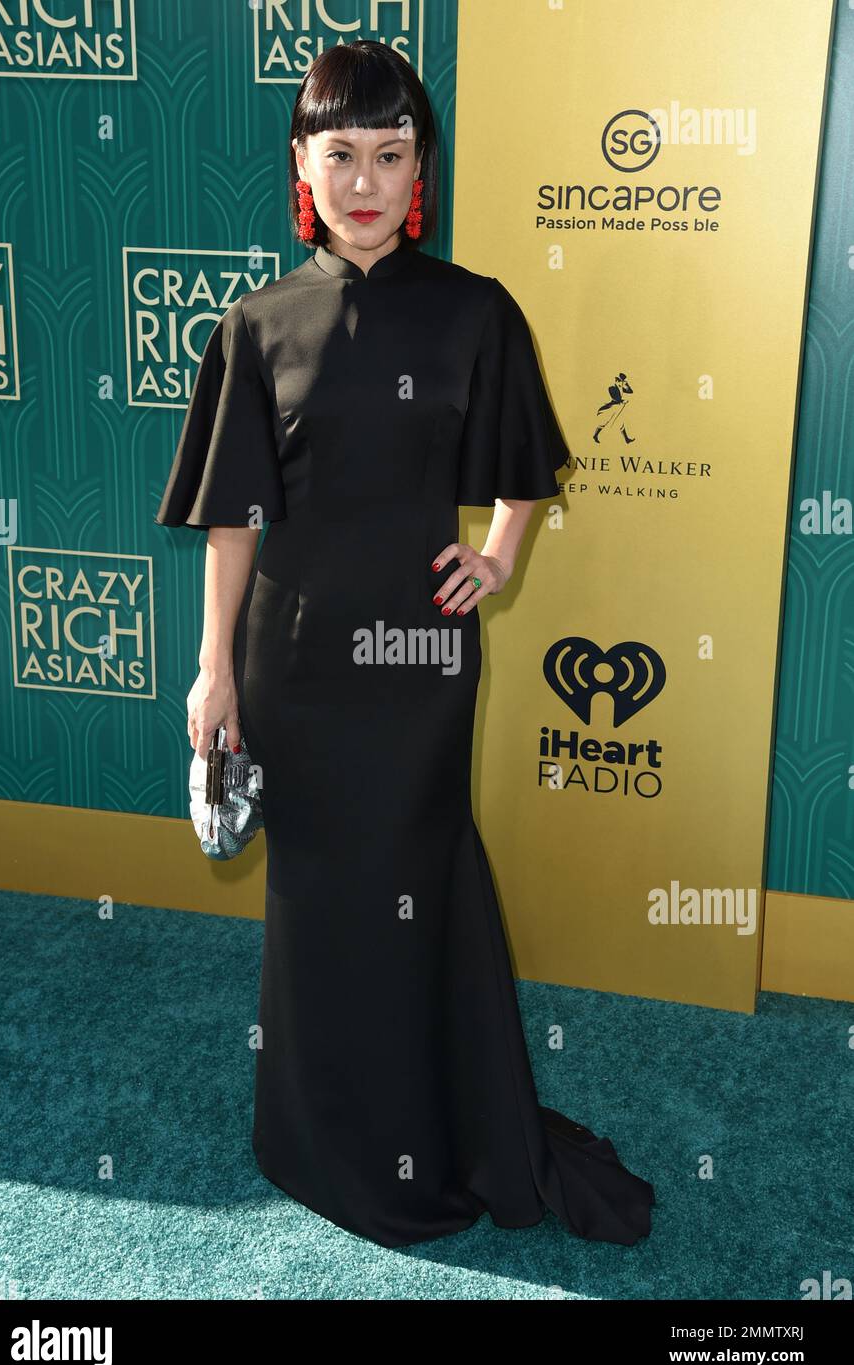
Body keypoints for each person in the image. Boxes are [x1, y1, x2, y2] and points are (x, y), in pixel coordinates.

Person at [154, 40, 655, 1249]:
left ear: (419, 168)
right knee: (316, 897)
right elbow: (231, 521)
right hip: (296, 659)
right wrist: (215, 672)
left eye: (389, 155)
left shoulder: (474, 310)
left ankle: (436, 1125)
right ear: (302, 168)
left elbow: (527, 465)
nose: (364, 180)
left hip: (420, 661)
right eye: (341, 155)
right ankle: (314, 1134)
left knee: (417, 881)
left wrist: (499, 556)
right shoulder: (257, 324)